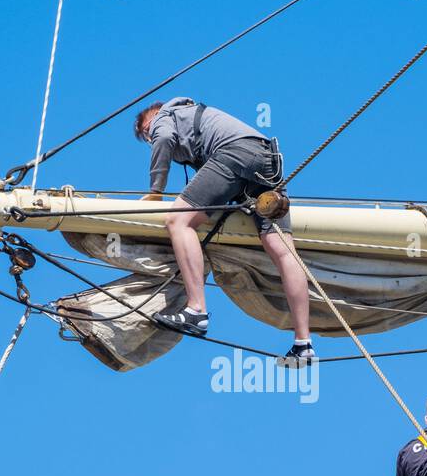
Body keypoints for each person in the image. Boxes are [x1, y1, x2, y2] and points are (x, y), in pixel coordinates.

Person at [133, 97, 315, 367]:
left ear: (152, 120)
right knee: (281, 249)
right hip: (267, 160)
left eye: (146, 134)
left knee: (178, 220)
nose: (150, 139)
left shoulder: (165, 117)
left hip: (234, 154)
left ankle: (196, 310)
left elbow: (164, 138)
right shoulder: (199, 119)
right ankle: (304, 343)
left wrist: (155, 191)